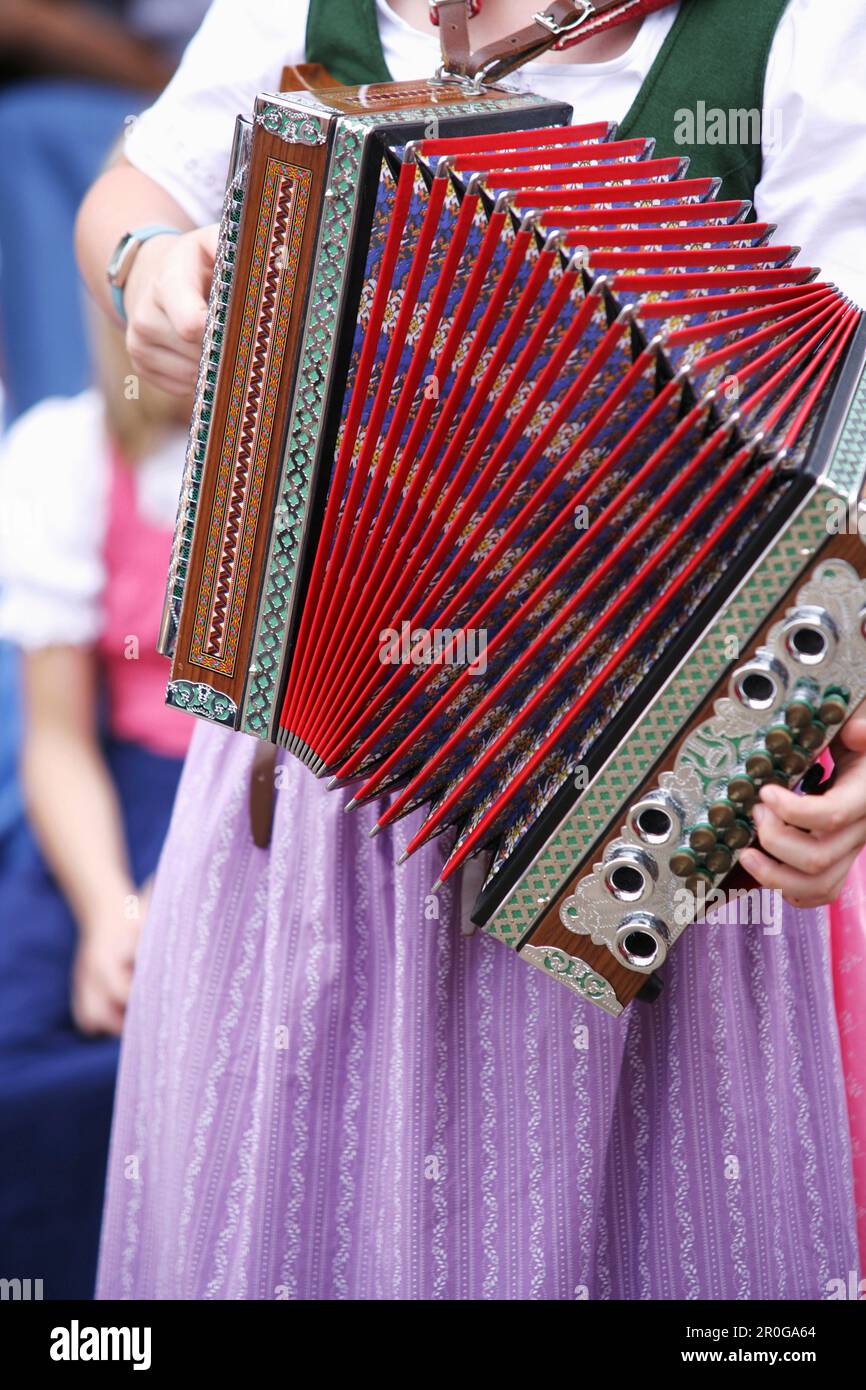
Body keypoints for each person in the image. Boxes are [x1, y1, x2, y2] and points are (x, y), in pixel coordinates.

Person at [76, 0, 866, 1299]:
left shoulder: (797, 28)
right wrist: (148, 265)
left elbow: (848, 452)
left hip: (637, 866)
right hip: (307, 828)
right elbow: (130, 189)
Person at [0, 313, 193, 1298]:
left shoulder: (327, 468)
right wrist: (112, 907)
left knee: (195, 1075)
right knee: (23, 1058)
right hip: (111, 810)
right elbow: (58, 736)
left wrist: (183, 899)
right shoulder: (65, 455)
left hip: (258, 810)